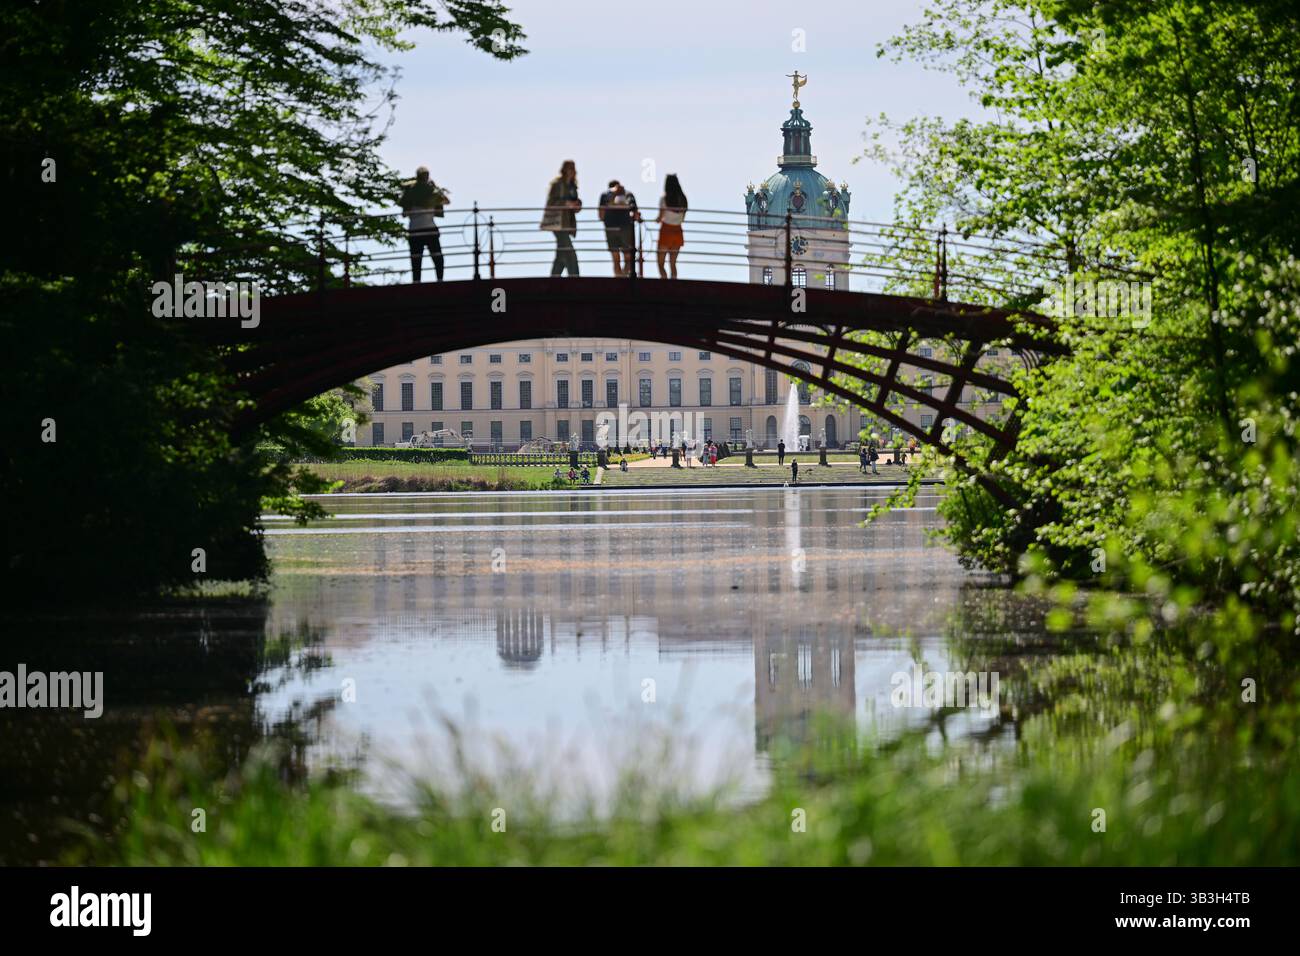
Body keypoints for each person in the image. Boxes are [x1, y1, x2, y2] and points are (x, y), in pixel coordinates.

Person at [400, 166, 448, 282]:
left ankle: (416, 281)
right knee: (437, 257)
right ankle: (440, 279)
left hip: (414, 230)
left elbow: (404, 213)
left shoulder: (410, 191)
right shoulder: (432, 191)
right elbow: (445, 200)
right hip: (430, 229)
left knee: (416, 258)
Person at [542, 160, 582, 276]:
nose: (572, 171)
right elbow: (551, 203)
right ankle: (575, 278)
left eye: (573, 168)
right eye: (569, 168)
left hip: (568, 223)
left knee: (561, 255)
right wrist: (566, 203)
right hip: (558, 223)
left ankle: (554, 278)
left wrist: (577, 205)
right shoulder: (557, 184)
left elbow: (573, 202)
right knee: (570, 253)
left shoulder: (572, 186)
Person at [598, 180, 639, 276]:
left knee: (618, 259)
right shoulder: (627, 195)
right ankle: (623, 278)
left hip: (612, 228)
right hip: (625, 228)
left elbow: (601, 215)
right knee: (627, 258)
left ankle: (620, 278)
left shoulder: (605, 195)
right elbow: (635, 214)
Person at [656, 174, 687, 279]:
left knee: (660, 263)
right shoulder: (683, 199)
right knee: (673, 263)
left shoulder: (664, 199)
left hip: (666, 230)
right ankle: (674, 283)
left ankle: (664, 283)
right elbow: (683, 218)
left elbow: (660, 217)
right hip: (678, 231)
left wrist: (656, 220)